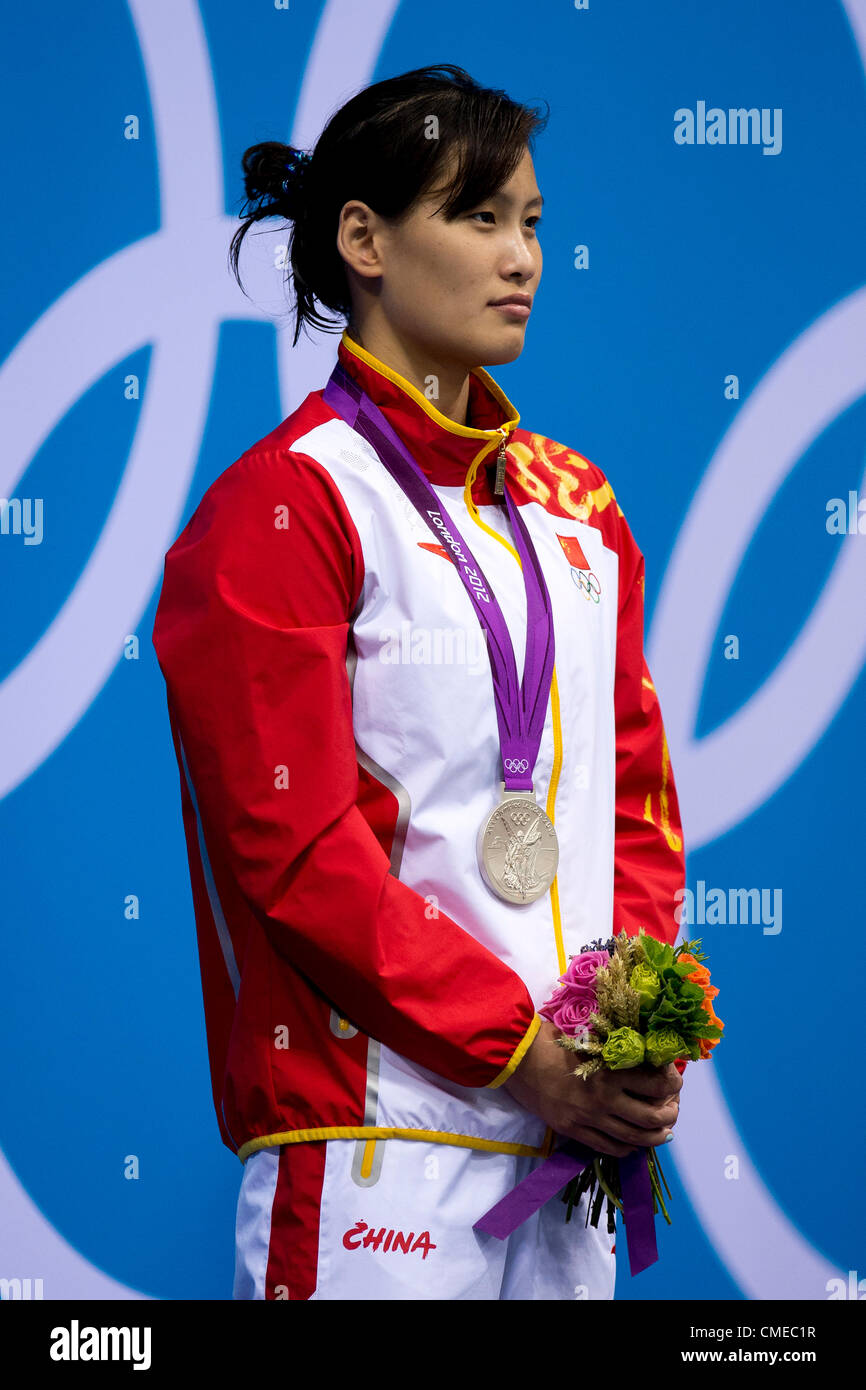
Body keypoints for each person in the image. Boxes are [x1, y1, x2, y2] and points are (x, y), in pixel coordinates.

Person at [151, 63, 686, 1302]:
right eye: (479, 216)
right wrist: (514, 1051)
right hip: (370, 1160)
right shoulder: (281, 508)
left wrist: (628, 1030)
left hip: (564, 1165)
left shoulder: (580, 509)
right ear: (363, 240)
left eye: (535, 224)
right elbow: (289, 851)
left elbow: (635, 810)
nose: (523, 260)